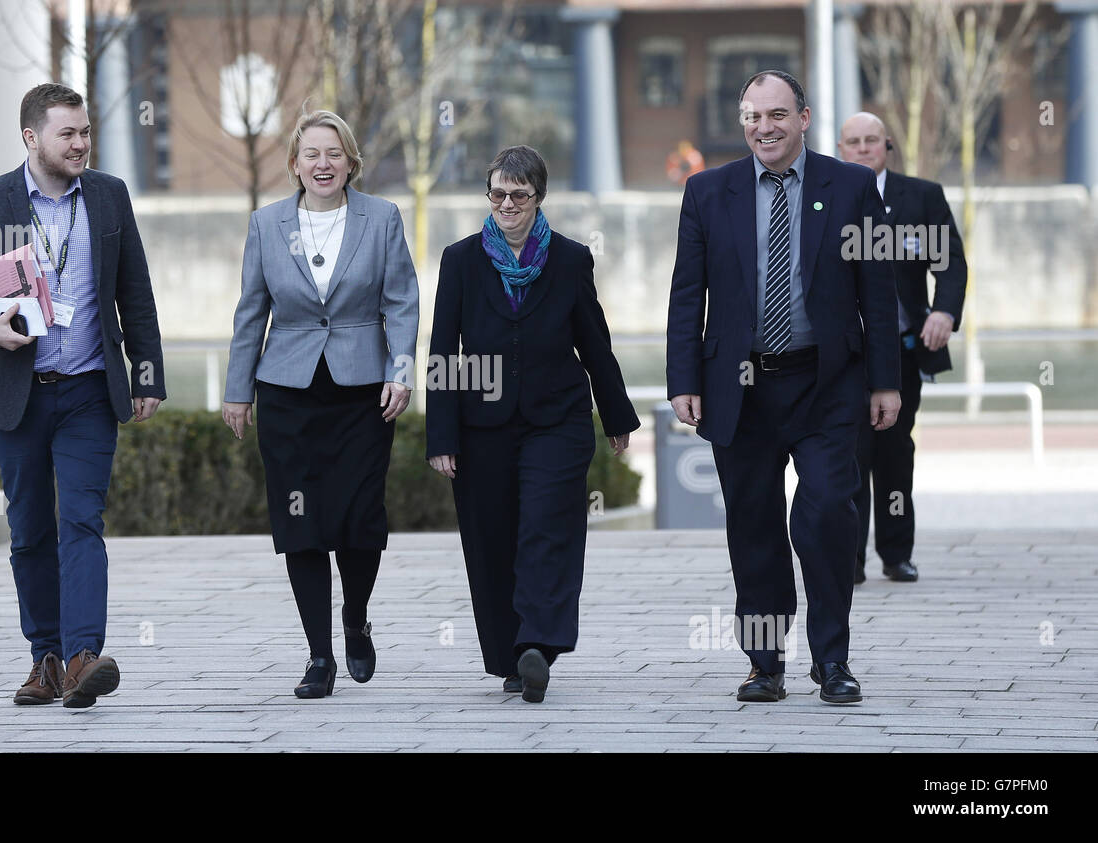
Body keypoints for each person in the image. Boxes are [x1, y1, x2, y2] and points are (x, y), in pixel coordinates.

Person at [666, 71, 901, 704]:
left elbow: (877, 292)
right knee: (753, 526)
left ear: (803, 117)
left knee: (825, 513)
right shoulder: (706, 192)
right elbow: (688, 293)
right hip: (738, 388)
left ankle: (832, 662)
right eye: (751, 116)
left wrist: (886, 381)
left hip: (826, 385)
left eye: (776, 115)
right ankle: (764, 663)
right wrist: (683, 378)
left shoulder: (849, 186)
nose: (763, 128)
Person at [0, 83, 165, 708]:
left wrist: (147, 374)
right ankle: (47, 658)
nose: (82, 143)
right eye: (68, 133)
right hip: (18, 396)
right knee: (30, 532)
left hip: (90, 389)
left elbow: (134, 293)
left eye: (85, 131)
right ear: (32, 138)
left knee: (81, 520)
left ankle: (85, 655)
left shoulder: (111, 198)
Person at [426, 145, 639, 703]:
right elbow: (443, 351)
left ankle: (539, 644)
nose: (508, 204)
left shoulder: (570, 259)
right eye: (498, 194)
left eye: (520, 195)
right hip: (481, 424)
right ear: (488, 196)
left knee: (549, 527)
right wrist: (442, 437)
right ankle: (510, 657)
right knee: (492, 538)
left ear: (539, 196)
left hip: (557, 419)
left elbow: (594, 339)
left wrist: (616, 414)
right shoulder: (461, 260)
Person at [222, 110, 418, 700]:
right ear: (295, 164)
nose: (323, 164)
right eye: (312, 154)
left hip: (363, 392)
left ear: (351, 161)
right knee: (300, 523)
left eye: (334, 153)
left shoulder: (381, 219)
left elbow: (403, 303)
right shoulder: (266, 223)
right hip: (287, 392)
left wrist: (401, 372)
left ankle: (356, 622)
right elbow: (251, 309)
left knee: (359, 522)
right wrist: (238, 388)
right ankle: (319, 655)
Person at [838, 112, 967, 585]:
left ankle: (896, 553)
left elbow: (950, 262)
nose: (863, 149)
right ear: (841, 148)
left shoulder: (921, 196)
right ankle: (848, 559)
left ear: (887, 146)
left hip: (902, 348)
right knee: (849, 452)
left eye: (872, 140)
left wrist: (944, 312)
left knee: (894, 449)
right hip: (845, 352)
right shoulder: (826, 197)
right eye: (853, 142)